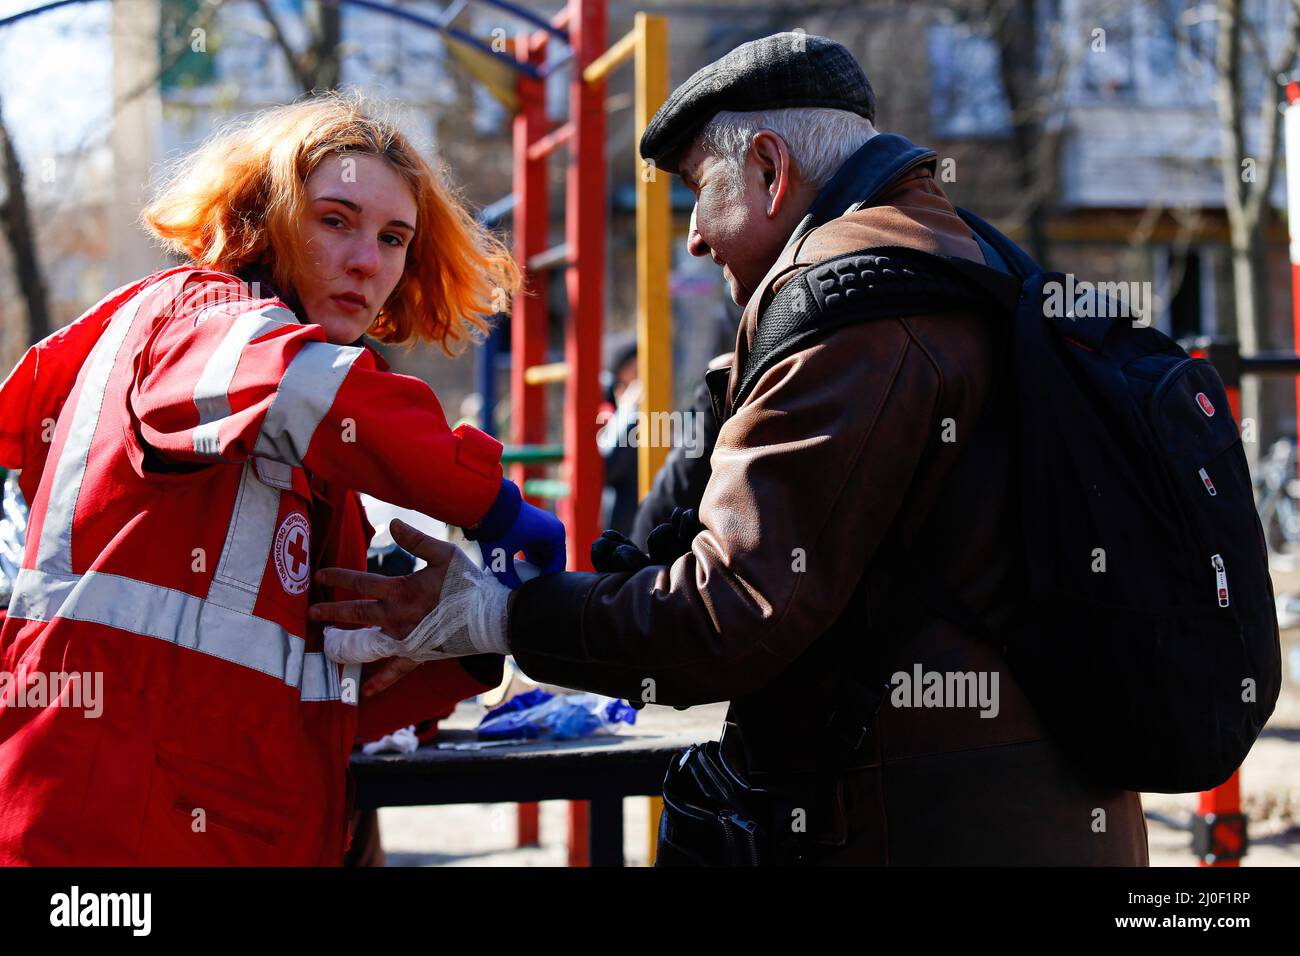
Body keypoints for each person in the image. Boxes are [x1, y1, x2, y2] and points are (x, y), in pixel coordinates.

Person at [311, 36, 1149, 865]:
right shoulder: (970, 260)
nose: (695, 239)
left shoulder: (856, 312)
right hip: (1028, 811)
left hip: (919, 829)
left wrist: (498, 613)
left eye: (697, 192)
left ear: (770, 171)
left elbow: (728, 614)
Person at [0, 92, 564, 865]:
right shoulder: (196, 320)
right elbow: (303, 387)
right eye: (335, 220)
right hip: (110, 843)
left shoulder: (304, 449)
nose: (368, 260)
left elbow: (307, 704)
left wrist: (458, 645)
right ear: (262, 220)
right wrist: (491, 503)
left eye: (394, 237)